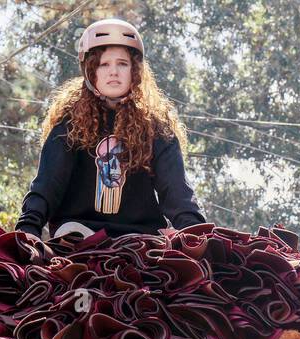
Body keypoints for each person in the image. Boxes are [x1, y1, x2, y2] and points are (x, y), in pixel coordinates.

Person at [16, 18, 205, 241]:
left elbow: (177, 193)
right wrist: (28, 227)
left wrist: (197, 234)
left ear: (135, 71)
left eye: (122, 64)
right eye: (103, 64)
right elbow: (48, 184)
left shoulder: (157, 128)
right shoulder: (69, 125)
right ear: (90, 70)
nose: (113, 72)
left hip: (142, 239)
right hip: (77, 235)